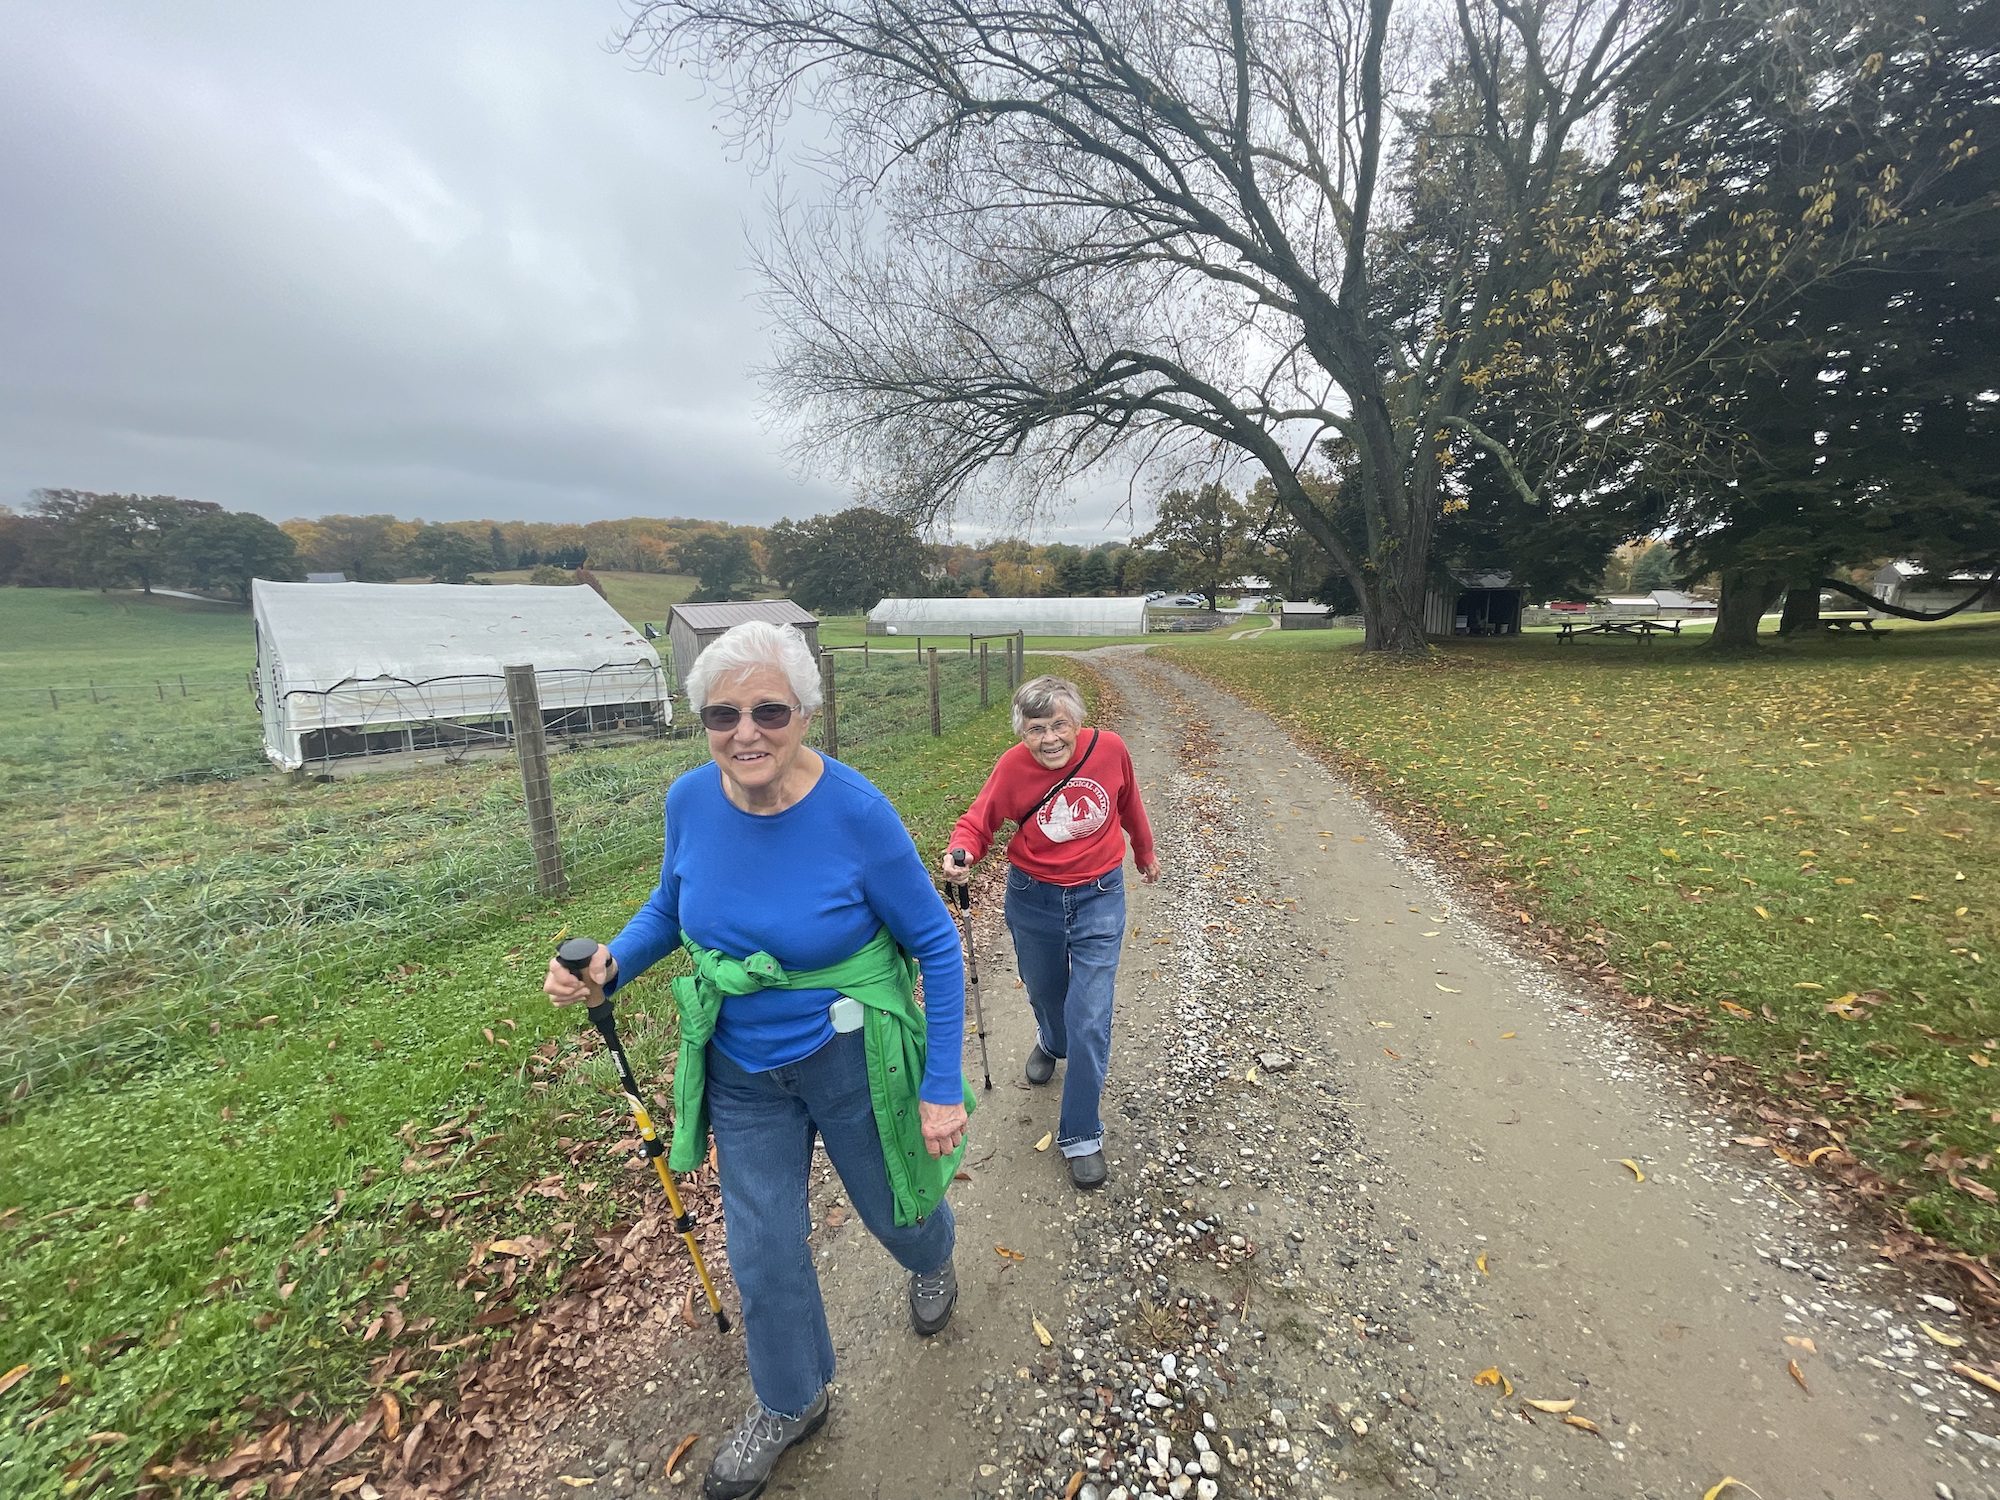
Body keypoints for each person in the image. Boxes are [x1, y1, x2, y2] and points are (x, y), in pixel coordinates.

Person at [543, 620, 972, 1500]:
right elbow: (673, 905)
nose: (746, 732)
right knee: (763, 1248)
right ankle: (791, 1398)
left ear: (805, 713)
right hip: (741, 1070)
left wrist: (941, 1087)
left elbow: (936, 940)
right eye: (723, 714)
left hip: (850, 1056)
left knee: (895, 1211)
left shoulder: (857, 813)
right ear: (703, 722)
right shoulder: (689, 801)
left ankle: (933, 1255)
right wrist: (613, 963)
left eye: (769, 710)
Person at [941, 675, 1158, 1190]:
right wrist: (961, 851)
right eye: (1036, 729)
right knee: (1044, 991)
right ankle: (1051, 1038)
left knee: (1090, 1017)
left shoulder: (1110, 749)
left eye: (1059, 724)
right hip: (1033, 898)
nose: (1050, 738)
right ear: (1023, 732)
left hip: (1099, 897)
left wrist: (1144, 851)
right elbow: (979, 819)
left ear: (1076, 722)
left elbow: (1129, 803)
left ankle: (1081, 1133)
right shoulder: (1013, 767)